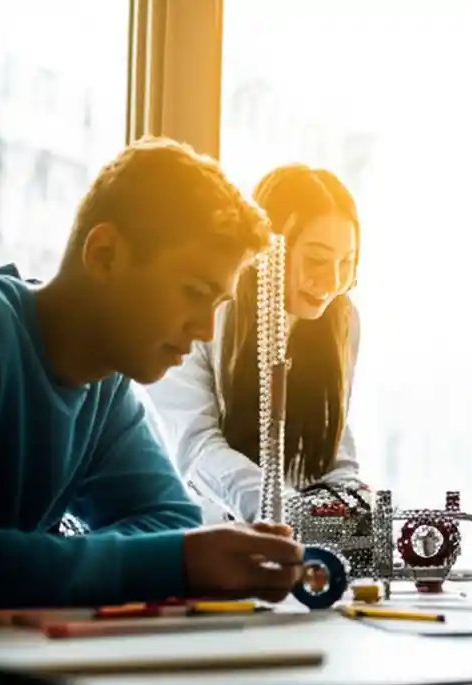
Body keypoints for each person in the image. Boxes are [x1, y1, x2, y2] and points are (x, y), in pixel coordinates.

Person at [0, 137, 304, 616]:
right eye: (193, 292)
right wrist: (157, 562)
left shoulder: (106, 387)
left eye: (216, 305)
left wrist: (43, 564)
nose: (203, 331)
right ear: (104, 254)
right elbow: (170, 555)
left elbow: (168, 525)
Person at [148, 164, 363, 523]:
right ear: (268, 248)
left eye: (347, 262)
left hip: (295, 538)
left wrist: (351, 505)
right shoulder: (207, 313)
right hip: (202, 530)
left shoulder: (341, 320)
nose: (333, 281)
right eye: (317, 259)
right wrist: (287, 512)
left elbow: (332, 439)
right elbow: (196, 448)